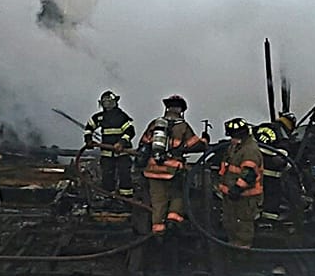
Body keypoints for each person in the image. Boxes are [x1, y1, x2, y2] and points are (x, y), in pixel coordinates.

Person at [139, 95, 204, 235]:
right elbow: (195, 145)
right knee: (178, 196)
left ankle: (158, 233)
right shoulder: (183, 126)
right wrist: (205, 140)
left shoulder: (155, 124)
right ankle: (172, 222)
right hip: (173, 171)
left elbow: (144, 143)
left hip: (153, 170)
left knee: (158, 202)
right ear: (180, 110)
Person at [215, 117, 266, 249]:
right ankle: (233, 250)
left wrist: (237, 188)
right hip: (232, 198)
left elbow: (249, 173)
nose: (231, 139)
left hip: (245, 199)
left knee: (243, 228)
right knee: (231, 225)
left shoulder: (250, 150)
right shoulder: (235, 147)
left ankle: (242, 256)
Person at [83, 90, 136, 196]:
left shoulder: (121, 116)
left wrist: (121, 143)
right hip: (107, 154)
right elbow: (89, 127)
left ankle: (126, 198)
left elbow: (130, 131)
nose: (107, 104)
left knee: (124, 175)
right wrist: (88, 140)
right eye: (105, 102)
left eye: (110, 102)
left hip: (122, 153)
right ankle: (109, 197)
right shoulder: (99, 117)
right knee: (107, 176)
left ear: (115, 102)